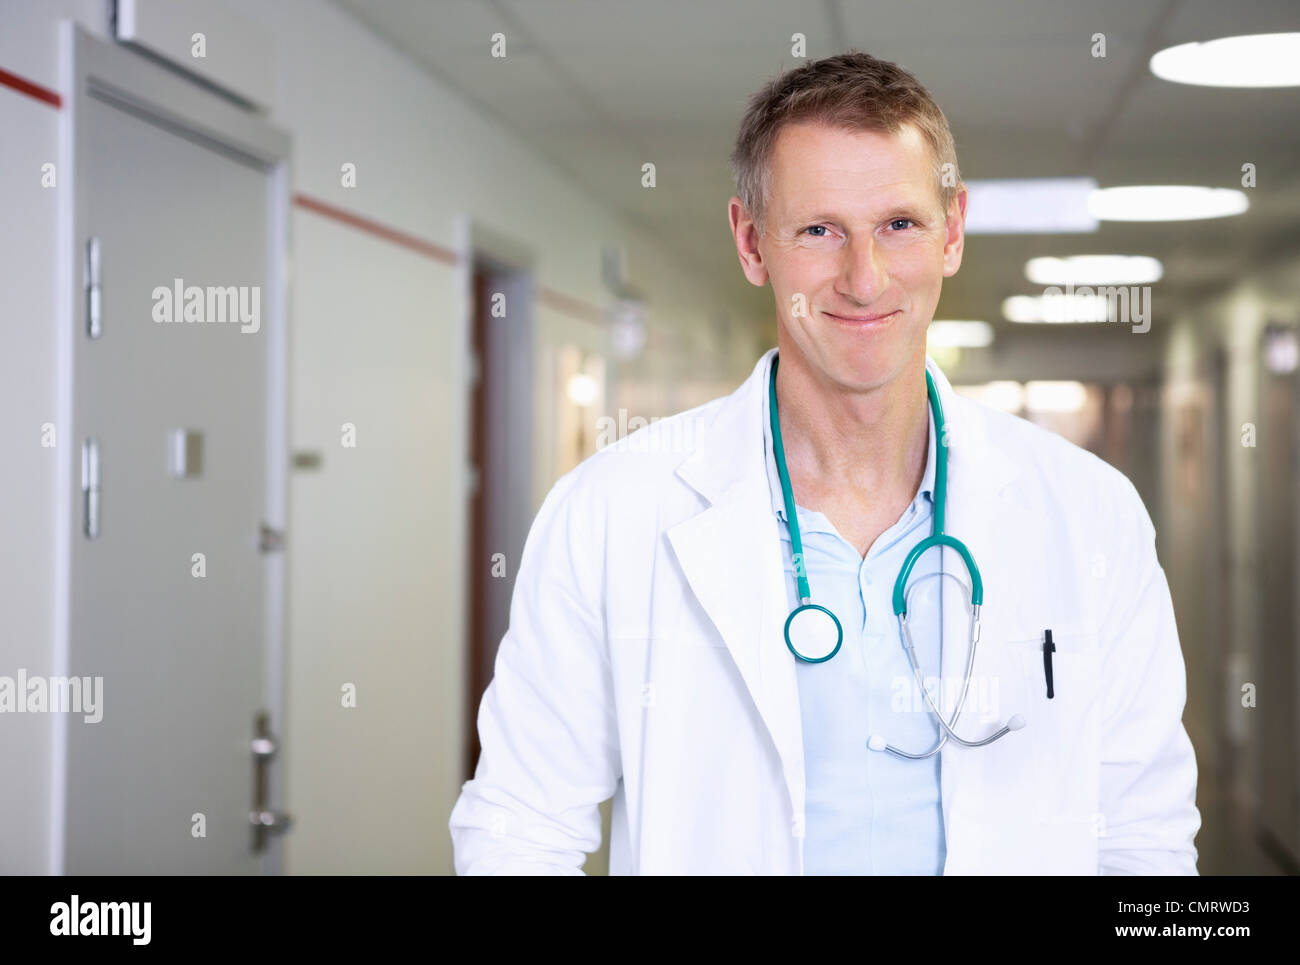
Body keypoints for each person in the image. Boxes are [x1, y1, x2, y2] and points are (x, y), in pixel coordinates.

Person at [449, 50, 1200, 875]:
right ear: (750, 242)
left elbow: (1144, 840)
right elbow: (520, 828)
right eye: (819, 230)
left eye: (899, 224)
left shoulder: (1091, 513)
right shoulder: (611, 510)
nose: (864, 277)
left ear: (952, 231)